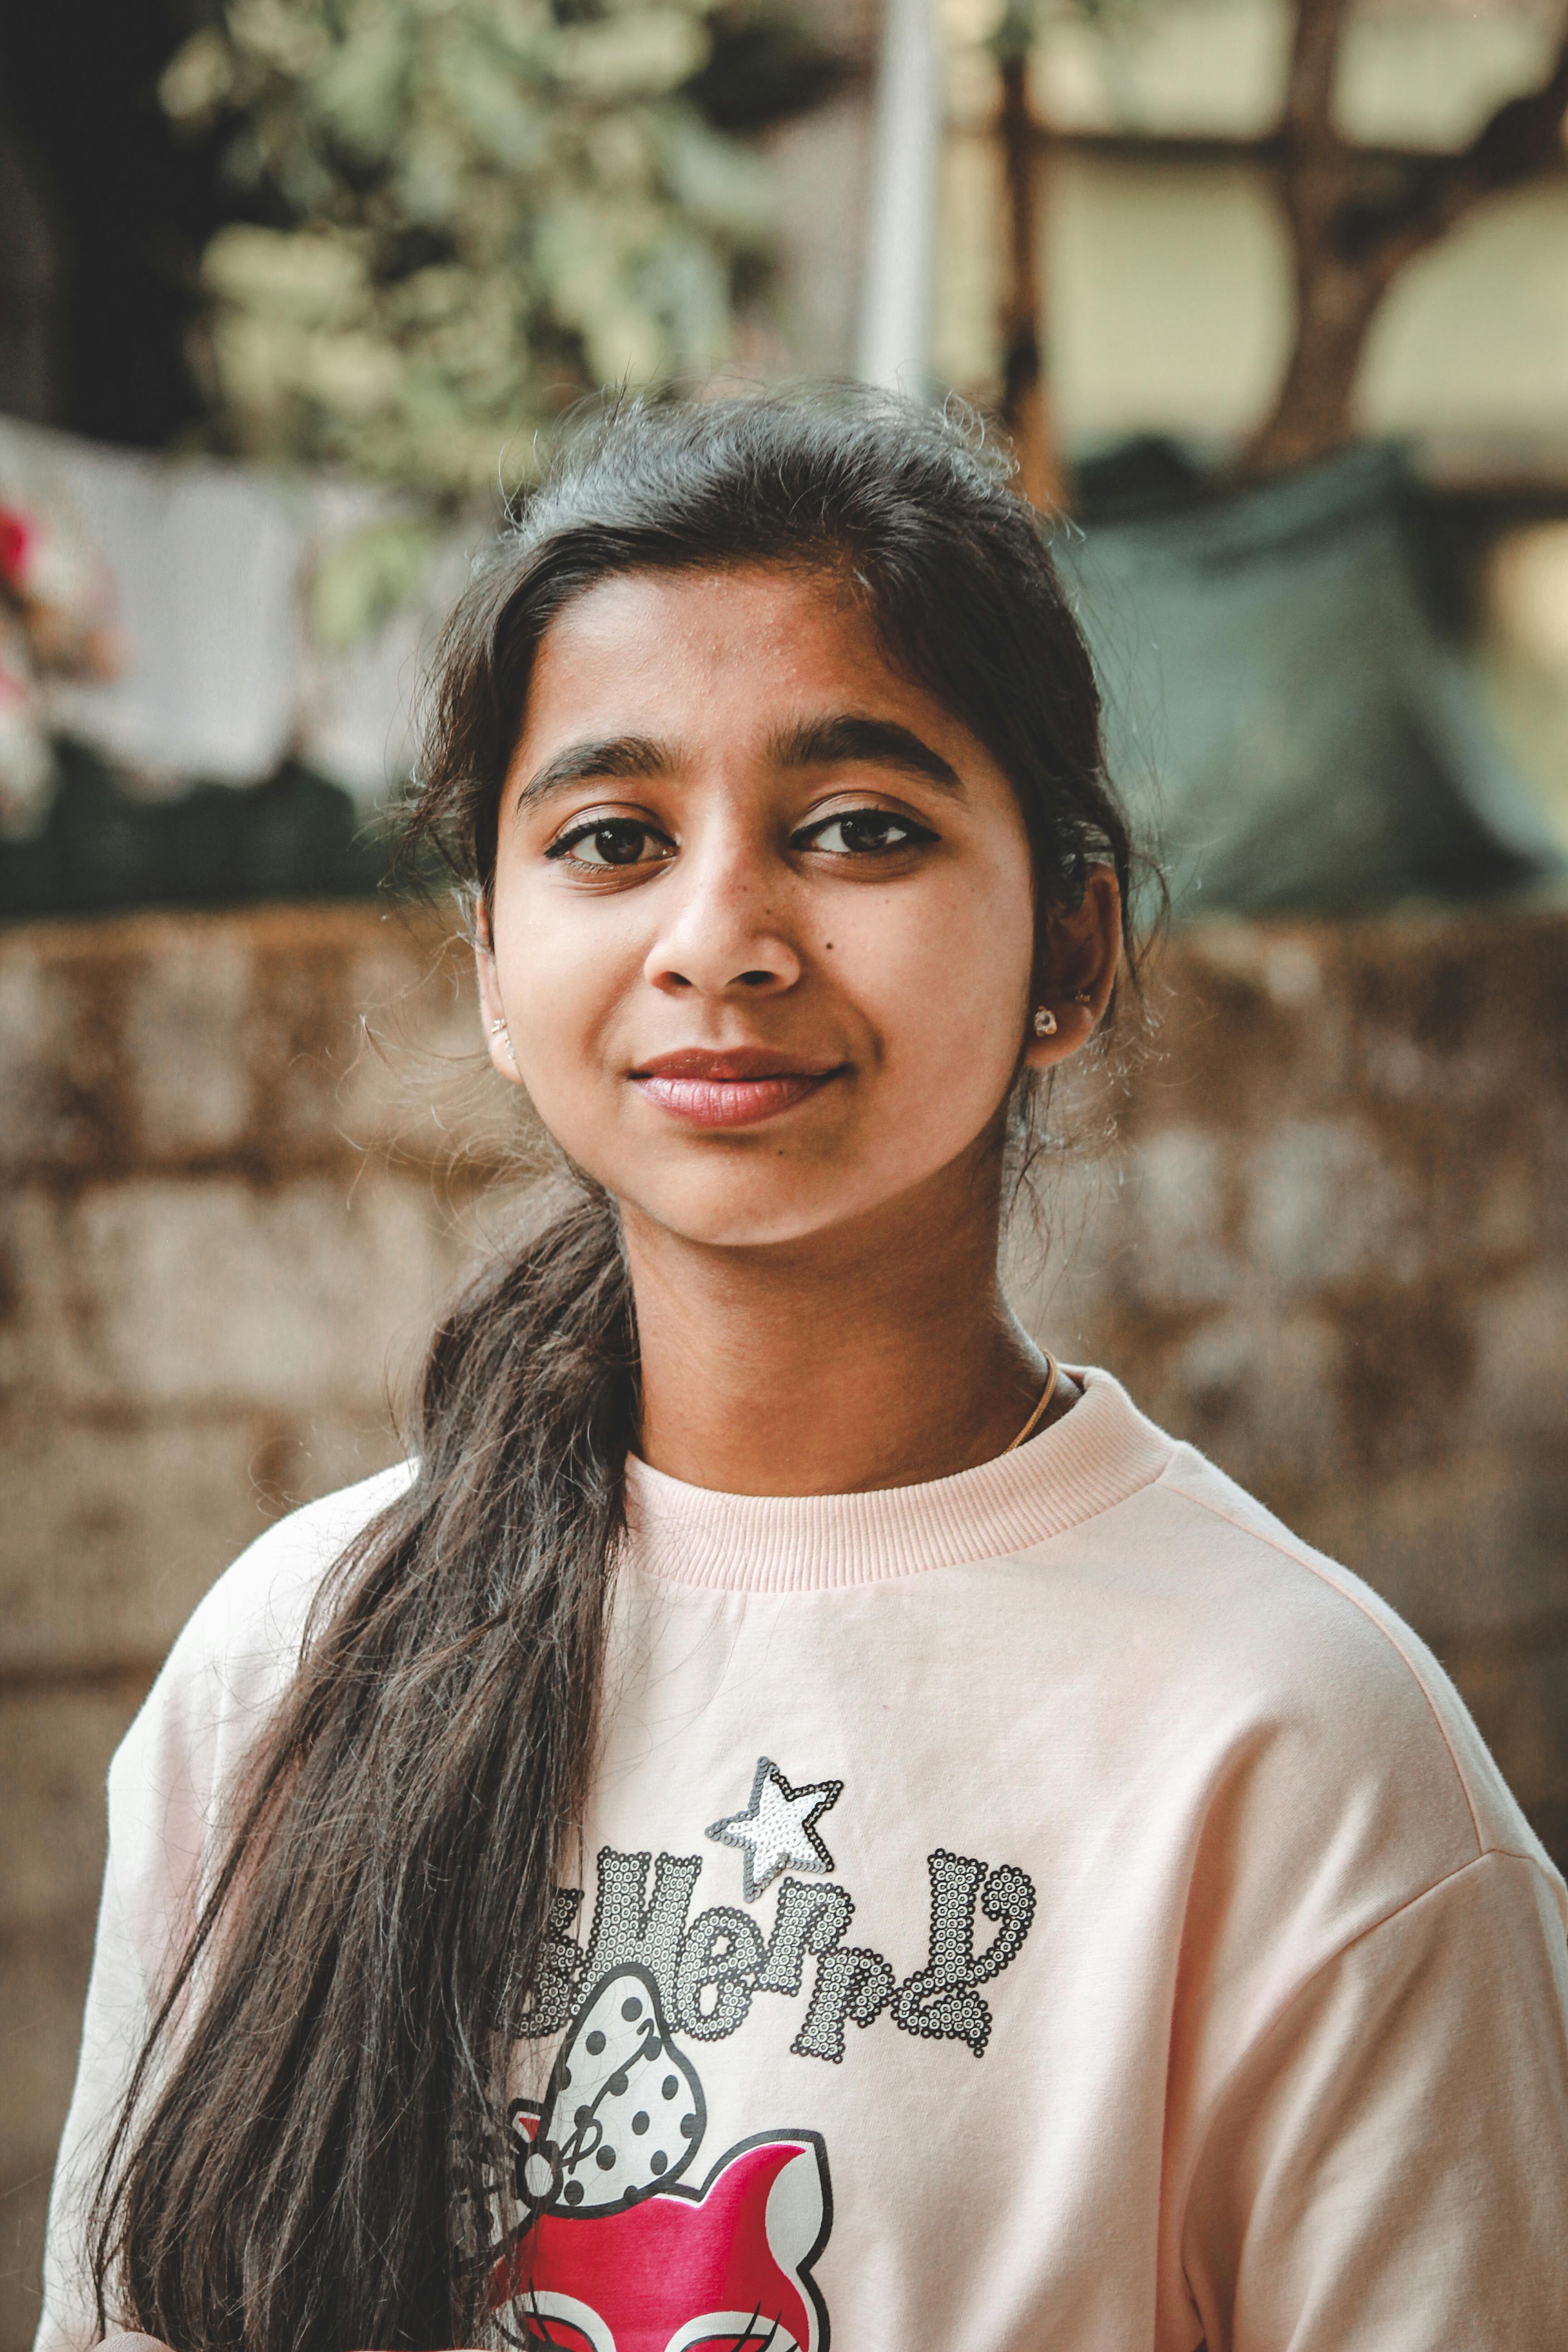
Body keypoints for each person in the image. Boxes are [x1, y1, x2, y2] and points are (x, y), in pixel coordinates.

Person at [37, 390, 1568, 2352]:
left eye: (858, 828)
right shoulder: (287, 1672)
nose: (723, 936)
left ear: (1072, 951)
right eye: (613, 838)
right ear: (498, 963)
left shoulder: (1302, 1766)